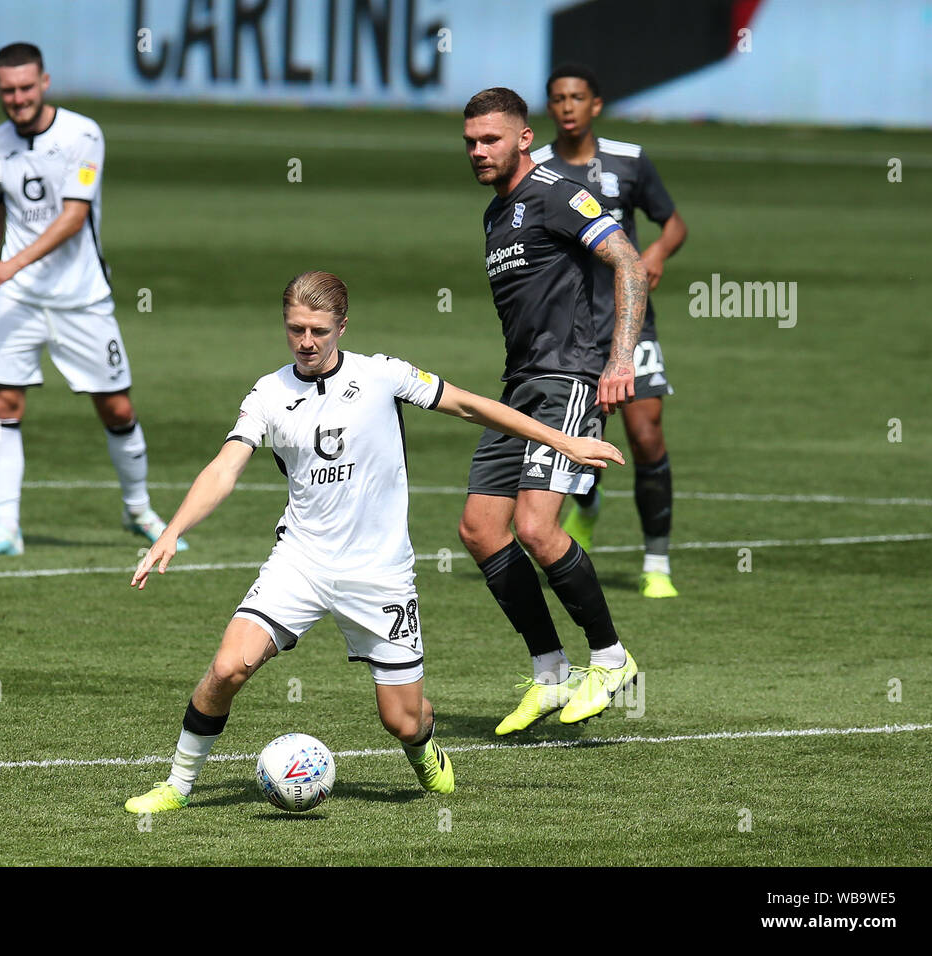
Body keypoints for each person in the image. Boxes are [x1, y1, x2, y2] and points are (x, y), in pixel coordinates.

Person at [123, 271, 624, 813]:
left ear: (342, 325)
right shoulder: (269, 393)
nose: (306, 342)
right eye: (295, 329)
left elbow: (471, 406)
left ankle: (423, 746)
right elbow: (226, 466)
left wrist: (562, 440)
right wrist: (172, 531)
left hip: (380, 574)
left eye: (317, 330)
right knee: (227, 668)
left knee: (402, 720)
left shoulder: (384, 375)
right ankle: (176, 785)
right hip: (301, 563)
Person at [459, 87, 649, 735]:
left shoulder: (558, 192)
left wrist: (619, 359)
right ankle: (550, 674)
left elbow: (629, 262)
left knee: (538, 528)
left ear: (522, 137)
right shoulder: (496, 214)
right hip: (518, 390)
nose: (478, 151)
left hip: (567, 380)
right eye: (469, 142)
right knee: (481, 529)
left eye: (490, 139)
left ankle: (612, 658)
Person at [0, 42, 182, 557]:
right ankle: (5, 529)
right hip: (17, 300)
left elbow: (74, 216)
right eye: (6, 90)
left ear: (45, 83)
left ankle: (139, 510)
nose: (16, 99)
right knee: (3, 402)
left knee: (117, 407)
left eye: (24, 87)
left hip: (81, 297)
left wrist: (11, 265)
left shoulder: (84, 134)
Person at [534, 63, 688, 598]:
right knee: (579, 445)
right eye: (558, 98)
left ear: (595, 105)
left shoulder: (629, 160)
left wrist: (657, 253)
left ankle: (657, 563)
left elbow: (673, 222)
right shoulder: (535, 169)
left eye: (578, 97)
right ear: (549, 107)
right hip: (569, 334)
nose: (568, 106)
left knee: (645, 436)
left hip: (631, 323)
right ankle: (589, 505)